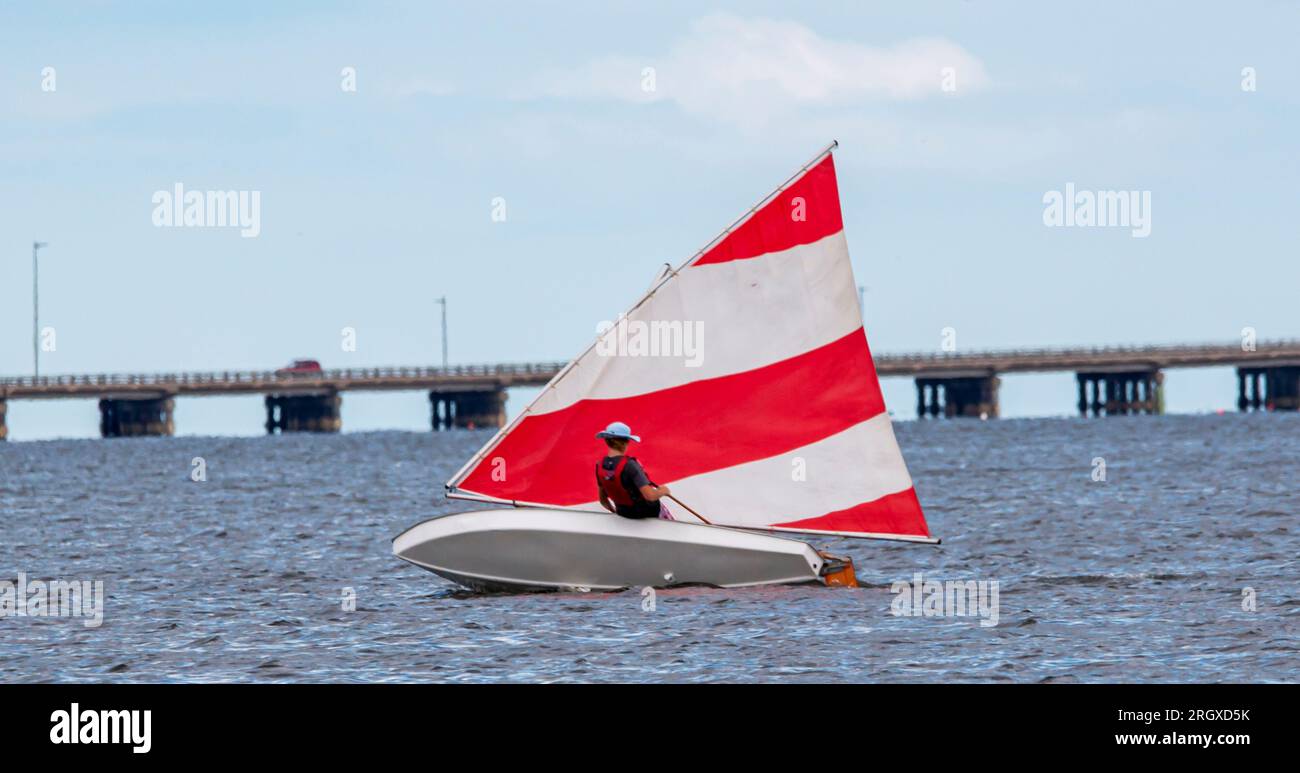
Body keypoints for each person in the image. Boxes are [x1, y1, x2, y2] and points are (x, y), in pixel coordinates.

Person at [594, 422, 674, 520]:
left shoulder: (600, 465)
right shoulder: (630, 465)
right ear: (626, 442)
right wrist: (663, 491)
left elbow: (603, 500)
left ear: (606, 440)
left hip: (623, 513)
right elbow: (650, 496)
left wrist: (615, 511)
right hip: (646, 513)